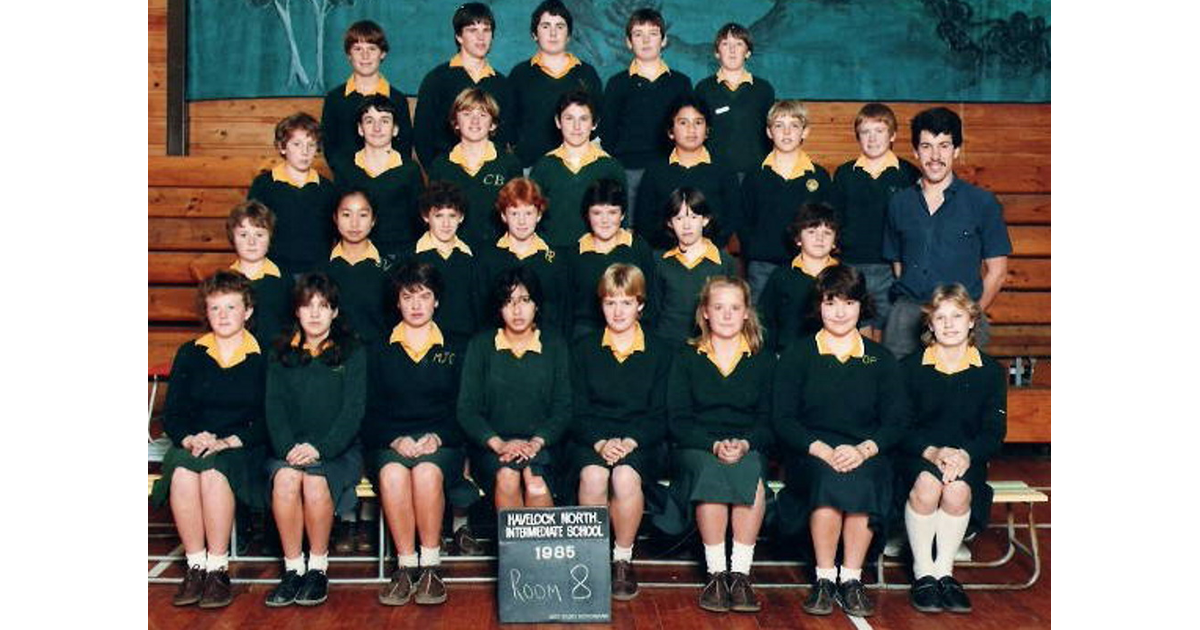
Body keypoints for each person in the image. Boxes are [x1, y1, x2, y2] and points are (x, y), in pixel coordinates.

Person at [771, 265, 910, 618]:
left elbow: (896, 421)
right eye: (831, 302)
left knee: (862, 478)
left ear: (862, 307)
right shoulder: (798, 354)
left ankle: (851, 579)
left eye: (848, 303)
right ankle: (823, 579)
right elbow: (782, 418)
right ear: (818, 306)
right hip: (812, 451)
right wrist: (820, 449)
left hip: (866, 452)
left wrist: (864, 450)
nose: (839, 311)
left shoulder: (880, 358)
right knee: (828, 478)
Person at [657, 276, 775, 613]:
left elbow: (770, 423)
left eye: (735, 308)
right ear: (705, 313)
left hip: (747, 447)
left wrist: (745, 443)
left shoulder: (763, 359)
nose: (726, 315)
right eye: (718, 307)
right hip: (696, 448)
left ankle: (740, 574)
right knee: (712, 469)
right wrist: (713, 446)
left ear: (747, 314)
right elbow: (677, 421)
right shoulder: (686, 355)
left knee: (749, 466)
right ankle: (716, 574)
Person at [152, 271, 267, 609]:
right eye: (215, 308)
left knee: (215, 473)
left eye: (231, 307)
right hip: (195, 444)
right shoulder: (191, 352)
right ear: (206, 311)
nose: (223, 316)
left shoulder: (263, 356)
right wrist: (189, 438)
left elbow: (268, 417)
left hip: (241, 446)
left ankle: (218, 570)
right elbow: (172, 414)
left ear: (247, 311)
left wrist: (230, 440)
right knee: (186, 473)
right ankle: (196, 567)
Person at [363, 263, 472, 607]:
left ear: (436, 301)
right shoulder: (377, 348)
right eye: (408, 296)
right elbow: (367, 412)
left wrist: (437, 438)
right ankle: (405, 565)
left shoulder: (456, 346)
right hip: (390, 440)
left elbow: (466, 408)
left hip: (442, 443)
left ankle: (431, 565)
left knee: (426, 472)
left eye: (424, 296)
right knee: (394, 473)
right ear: (397, 301)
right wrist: (395, 440)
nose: (416, 305)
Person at [900, 284, 1007, 614]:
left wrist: (965, 455)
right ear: (929, 324)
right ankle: (924, 574)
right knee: (928, 485)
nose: (949, 324)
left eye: (957, 316)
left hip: (965, 458)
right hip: (918, 455)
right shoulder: (909, 367)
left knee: (958, 492)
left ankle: (944, 572)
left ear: (972, 321)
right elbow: (899, 427)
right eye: (940, 317)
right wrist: (931, 452)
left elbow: (994, 431)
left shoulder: (990, 371)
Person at [568, 263, 672, 600]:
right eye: (610, 302)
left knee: (625, 477)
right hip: (591, 438)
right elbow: (575, 409)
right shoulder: (583, 348)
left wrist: (629, 441)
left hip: (640, 440)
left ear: (641, 305)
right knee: (594, 478)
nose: (618, 311)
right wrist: (599, 442)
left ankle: (622, 560)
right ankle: (591, 559)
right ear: (601, 305)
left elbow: (661, 413)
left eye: (626, 302)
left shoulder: (660, 351)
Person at [264, 274, 367, 607]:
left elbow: (353, 411)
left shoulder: (352, 350)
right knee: (285, 480)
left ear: (335, 312)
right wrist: (288, 449)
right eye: (307, 305)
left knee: (314, 482)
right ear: (296, 310)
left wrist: (321, 449)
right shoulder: (280, 352)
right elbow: (274, 407)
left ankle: (318, 569)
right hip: (290, 449)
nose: (315, 313)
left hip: (337, 450)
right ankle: (294, 569)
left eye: (323, 306)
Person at [882, 106, 1012, 359]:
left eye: (944, 145)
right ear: (915, 152)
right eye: (927, 146)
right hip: (907, 315)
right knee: (897, 391)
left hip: (960, 318)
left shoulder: (982, 203)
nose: (935, 156)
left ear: (957, 150)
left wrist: (968, 315)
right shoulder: (899, 203)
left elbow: (998, 272)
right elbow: (898, 265)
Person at [457, 267, 571, 509]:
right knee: (508, 478)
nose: (517, 310)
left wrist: (537, 443)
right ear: (499, 308)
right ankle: (514, 549)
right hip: (493, 447)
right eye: (508, 302)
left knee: (535, 482)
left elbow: (564, 408)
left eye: (525, 300)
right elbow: (467, 410)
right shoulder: (481, 345)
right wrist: (498, 444)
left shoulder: (555, 345)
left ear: (537, 305)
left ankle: (541, 548)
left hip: (544, 444)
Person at [828, 103, 921, 340]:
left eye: (879, 131)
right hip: (852, 266)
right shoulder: (845, 174)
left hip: (892, 268)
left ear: (893, 135)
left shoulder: (908, 173)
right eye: (865, 132)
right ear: (857, 136)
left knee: (893, 335)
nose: (872, 138)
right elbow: (834, 218)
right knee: (856, 335)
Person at [599, 6, 692, 223]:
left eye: (653, 34)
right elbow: (608, 131)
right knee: (629, 230)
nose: (646, 40)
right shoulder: (617, 84)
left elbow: (689, 129)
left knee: (668, 229)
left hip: (671, 168)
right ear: (628, 42)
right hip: (628, 170)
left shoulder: (681, 83)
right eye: (638, 35)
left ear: (664, 40)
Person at [741, 100, 832, 300]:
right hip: (762, 266)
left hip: (807, 265)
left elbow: (828, 223)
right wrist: (755, 250)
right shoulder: (755, 175)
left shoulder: (819, 176)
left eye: (794, 125)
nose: (787, 132)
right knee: (761, 324)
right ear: (769, 132)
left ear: (805, 131)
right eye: (779, 126)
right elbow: (744, 220)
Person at [633, 94, 743, 250]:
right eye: (683, 123)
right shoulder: (655, 171)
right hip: (666, 258)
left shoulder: (723, 168)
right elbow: (644, 223)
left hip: (712, 255)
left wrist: (709, 248)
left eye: (698, 122)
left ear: (707, 130)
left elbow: (734, 217)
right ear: (671, 131)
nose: (691, 129)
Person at [413, 2, 513, 168]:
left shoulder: (502, 84)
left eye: (486, 30)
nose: (481, 37)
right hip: (447, 178)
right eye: (472, 30)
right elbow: (422, 135)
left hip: (488, 177)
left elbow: (505, 136)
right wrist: (438, 174)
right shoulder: (437, 79)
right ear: (459, 36)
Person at [508, 0, 603, 169]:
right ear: (534, 34)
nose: (553, 33)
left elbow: (600, 122)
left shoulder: (587, 74)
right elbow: (508, 124)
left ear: (568, 35)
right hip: (530, 167)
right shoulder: (520, 75)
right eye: (545, 26)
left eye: (560, 26)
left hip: (578, 167)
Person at [424, 88, 523, 248]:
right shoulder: (440, 166)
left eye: (483, 115)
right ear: (455, 122)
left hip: (497, 251)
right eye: (467, 114)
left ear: (493, 124)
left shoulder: (509, 164)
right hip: (454, 251)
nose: (475, 121)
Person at [330, 95, 424, 263]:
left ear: (395, 129)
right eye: (369, 121)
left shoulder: (409, 170)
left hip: (400, 257)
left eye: (385, 121)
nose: (377, 128)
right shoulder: (345, 168)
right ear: (360, 128)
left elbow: (418, 222)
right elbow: (337, 219)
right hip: (356, 256)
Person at [529, 90, 627, 250]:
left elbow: (624, 221)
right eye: (569, 118)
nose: (576, 127)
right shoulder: (544, 167)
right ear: (558, 121)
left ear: (594, 123)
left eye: (583, 119)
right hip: (553, 253)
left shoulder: (611, 167)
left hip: (595, 254)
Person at [476, 178, 572, 338]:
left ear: (539, 214)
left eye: (528, 213)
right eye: (514, 213)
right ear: (503, 215)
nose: (522, 221)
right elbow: (480, 314)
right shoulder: (487, 257)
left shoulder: (555, 260)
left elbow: (563, 314)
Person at [247, 113, 339, 276]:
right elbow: (252, 228)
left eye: (311, 145)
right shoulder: (264, 186)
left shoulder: (327, 189)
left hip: (316, 274)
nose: (305, 151)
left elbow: (335, 235)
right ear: (282, 147)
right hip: (275, 272)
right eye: (297, 144)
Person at [564, 179, 657, 340]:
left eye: (612, 212)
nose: (604, 220)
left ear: (622, 215)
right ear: (587, 215)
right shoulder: (574, 254)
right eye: (597, 213)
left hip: (631, 331)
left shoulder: (638, 248)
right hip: (586, 333)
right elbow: (566, 308)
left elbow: (652, 299)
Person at [321, 20, 414, 179]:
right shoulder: (334, 99)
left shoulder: (397, 99)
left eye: (372, 48)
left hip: (389, 182)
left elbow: (403, 146)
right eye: (358, 49)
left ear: (382, 53)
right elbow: (330, 148)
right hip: (348, 184)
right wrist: (351, 175)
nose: (365, 55)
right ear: (349, 54)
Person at [648, 188, 738, 346]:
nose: (687, 225)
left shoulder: (724, 263)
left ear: (705, 220)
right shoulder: (660, 262)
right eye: (679, 218)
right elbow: (654, 310)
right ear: (670, 223)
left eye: (694, 217)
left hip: (707, 345)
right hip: (667, 344)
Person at [692, 23, 775, 181]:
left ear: (748, 52)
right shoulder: (703, 89)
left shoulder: (764, 90)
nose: (732, 50)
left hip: (755, 173)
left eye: (738, 44)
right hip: (715, 173)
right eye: (725, 44)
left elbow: (771, 135)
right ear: (717, 52)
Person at [407, 181, 483, 348]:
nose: (446, 224)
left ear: (461, 217)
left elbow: (479, 310)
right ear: (426, 216)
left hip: (465, 345)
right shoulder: (410, 258)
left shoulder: (473, 259)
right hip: (423, 344)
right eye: (439, 216)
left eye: (452, 216)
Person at [759, 203, 840, 355]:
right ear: (798, 238)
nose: (819, 238)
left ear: (835, 241)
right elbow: (766, 321)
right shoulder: (781, 276)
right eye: (811, 231)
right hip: (787, 354)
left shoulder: (844, 276)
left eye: (827, 233)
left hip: (830, 355)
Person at [322, 189, 395, 347]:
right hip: (333, 358)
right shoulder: (322, 269)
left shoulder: (390, 269)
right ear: (335, 218)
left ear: (373, 220)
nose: (354, 223)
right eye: (346, 215)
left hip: (379, 356)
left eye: (363, 215)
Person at [226, 200, 293, 348]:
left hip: (278, 361)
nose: (251, 242)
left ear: (270, 237)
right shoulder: (224, 283)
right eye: (243, 235)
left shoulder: (286, 281)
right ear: (232, 237)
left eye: (259, 234)